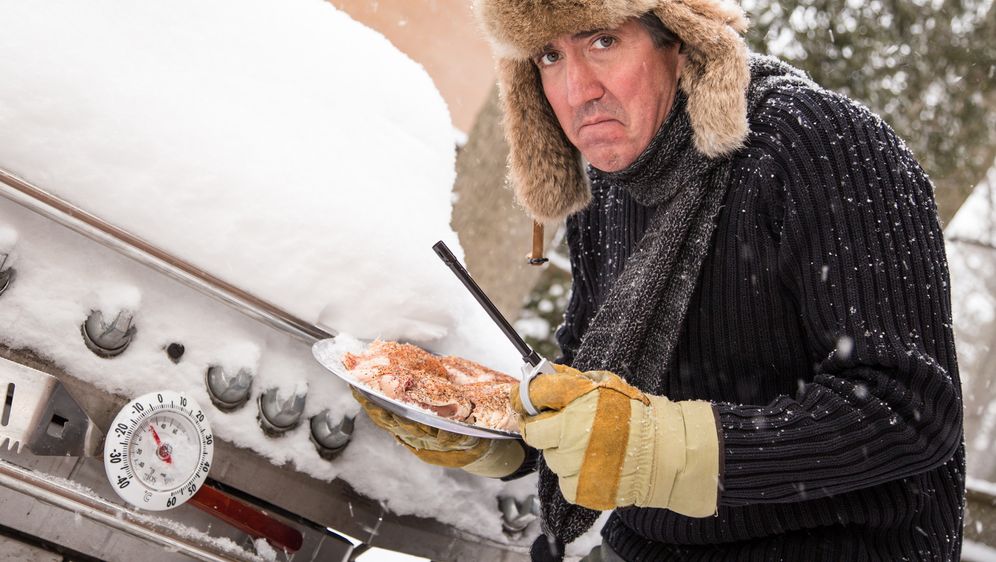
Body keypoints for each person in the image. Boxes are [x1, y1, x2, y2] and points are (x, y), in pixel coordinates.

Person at [355, 1, 965, 560]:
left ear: (679, 39)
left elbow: (910, 409)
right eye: (549, 56)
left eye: (602, 42)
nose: (577, 90)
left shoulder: (824, 147)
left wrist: (668, 450)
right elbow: (598, 389)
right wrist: (507, 433)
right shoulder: (610, 187)